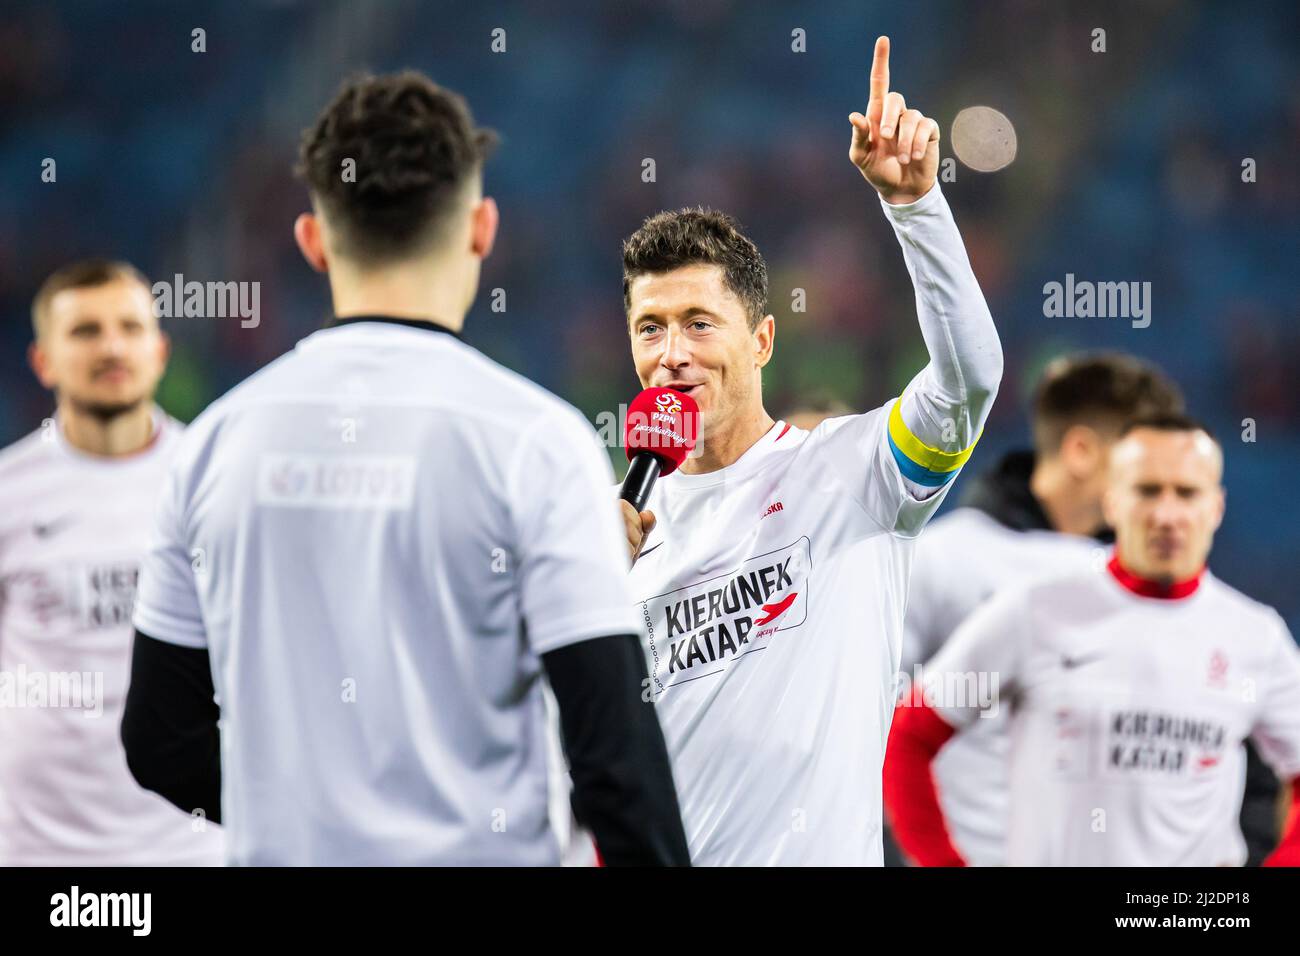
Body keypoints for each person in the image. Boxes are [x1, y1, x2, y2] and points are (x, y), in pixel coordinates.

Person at [122, 71, 690, 866]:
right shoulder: (536, 441)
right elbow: (616, 760)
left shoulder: (212, 446)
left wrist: (299, 812)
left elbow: (158, 741)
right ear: (482, 227)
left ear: (312, 240)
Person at [618, 36, 1002, 864]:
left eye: (697, 323)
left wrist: (917, 208)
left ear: (761, 340)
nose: (671, 354)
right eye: (650, 329)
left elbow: (970, 379)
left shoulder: (854, 473)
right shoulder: (613, 538)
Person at [885, 415, 1300, 866]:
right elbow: (910, 736)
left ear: (1215, 506)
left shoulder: (1256, 637)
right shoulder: (1035, 611)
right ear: (1112, 502)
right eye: (1146, 491)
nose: (1166, 515)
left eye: (1186, 493)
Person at [897, 352, 1187, 865]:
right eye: (1144, 458)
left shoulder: (1156, 586)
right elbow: (875, 731)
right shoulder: (942, 559)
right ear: (1081, 452)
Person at [0, 259, 224, 865]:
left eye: (129, 327)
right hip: (40, 849)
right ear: (42, 360)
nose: (112, 346)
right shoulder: (8, 494)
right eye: (85, 331)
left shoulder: (217, 482)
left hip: (194, 845)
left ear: (161, 349)